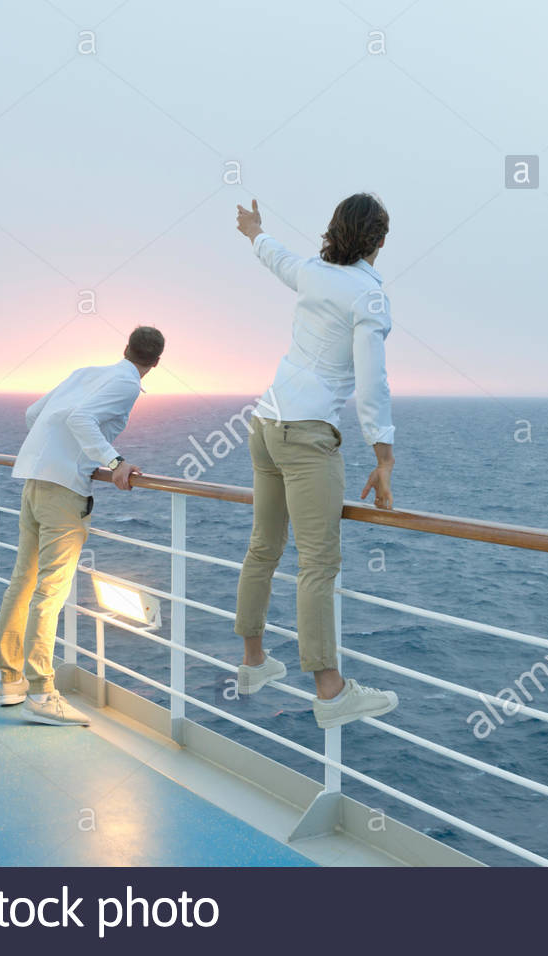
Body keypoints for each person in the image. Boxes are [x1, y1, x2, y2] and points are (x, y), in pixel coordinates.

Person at [232, 193, 400, 729]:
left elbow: (276, 256)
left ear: (335, 232)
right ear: (377, 241)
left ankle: (254, 662)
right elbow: (372, 382)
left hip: (264, 423)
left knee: (264, 547)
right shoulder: (369, 297)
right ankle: (330, 692)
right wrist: (384, 455)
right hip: (307, 436)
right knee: (318, 565)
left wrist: (254, 231)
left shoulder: (312, 273)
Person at [0, 326, 164, 726]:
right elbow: (82, 418)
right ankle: (41, 692)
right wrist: (115, 462)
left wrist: (55, 453)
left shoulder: (85, 372)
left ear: (125, 348)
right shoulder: (125, 384)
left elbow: (33, 414)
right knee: (50, 591)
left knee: (23, 581)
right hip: (62, 493)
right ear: (156, 363)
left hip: (35, 481)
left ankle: (10, 681)